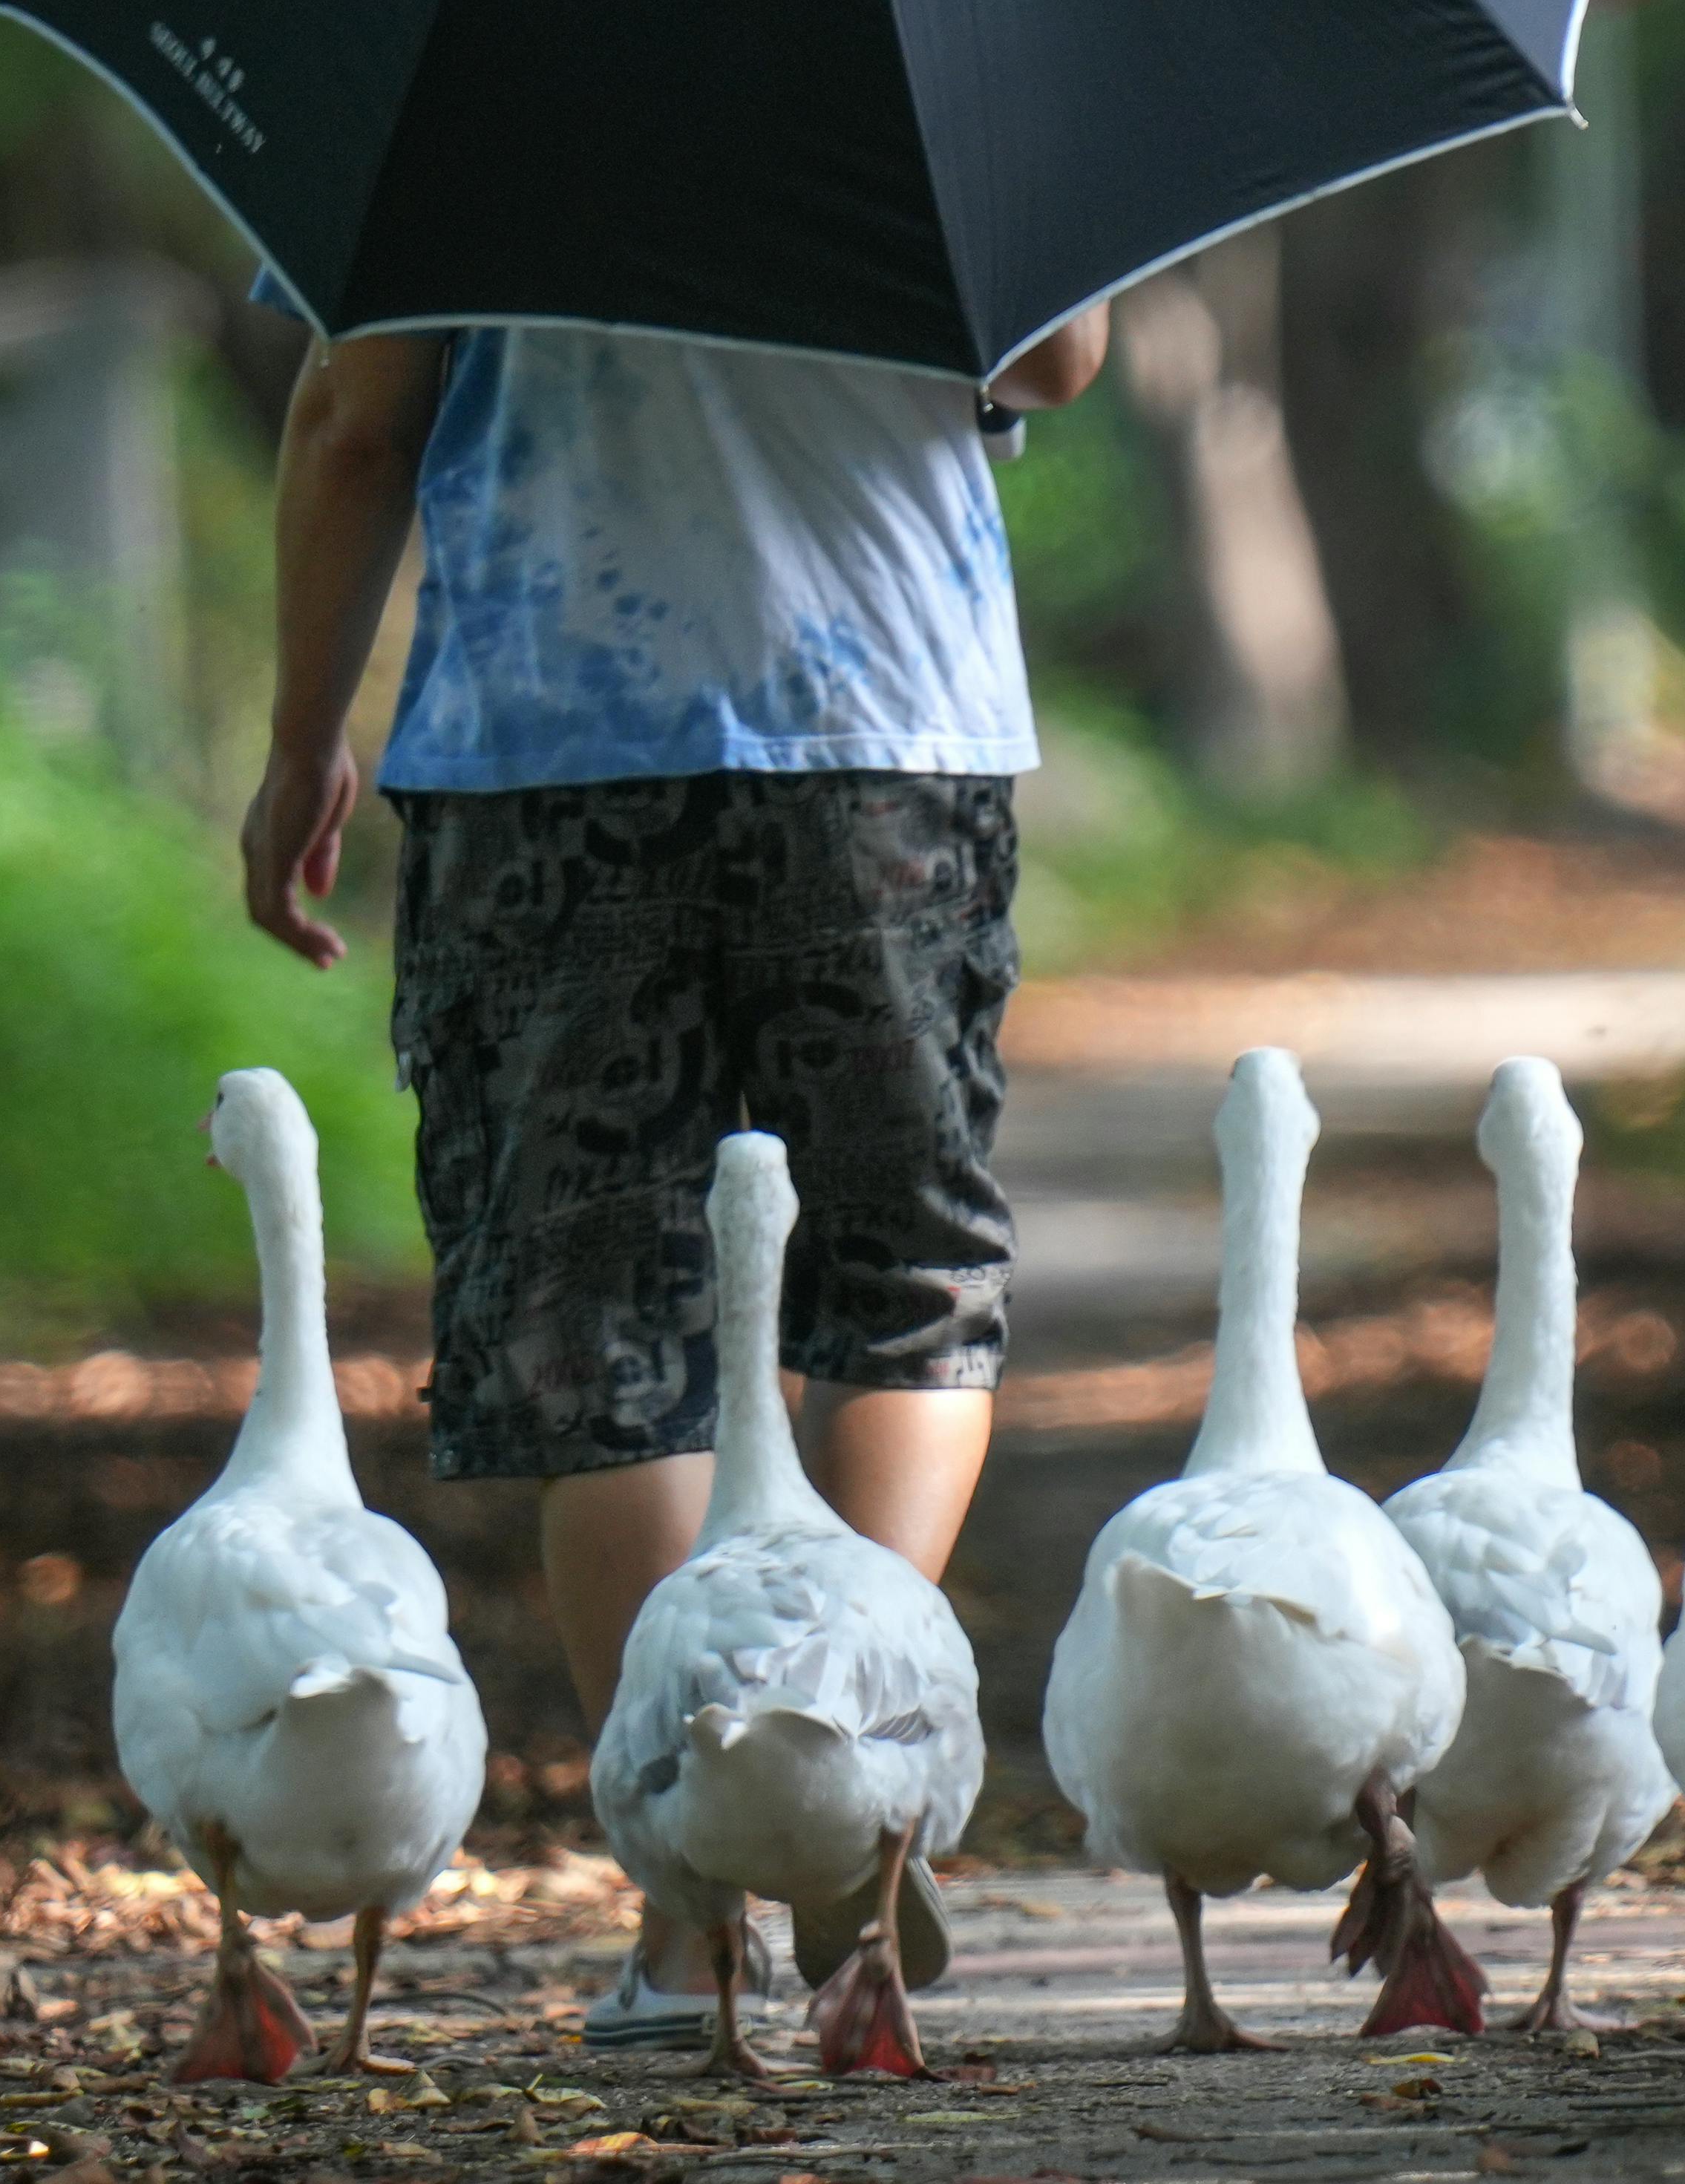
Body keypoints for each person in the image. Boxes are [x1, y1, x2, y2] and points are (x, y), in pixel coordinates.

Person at [241, 297, 1111, 2036]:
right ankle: (844, 1779)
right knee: (902, 1280)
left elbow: (358, 414)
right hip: (886, 736)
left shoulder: (458, 54)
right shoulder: (943, 39)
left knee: (601, 1312)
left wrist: (299, 733)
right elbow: (1053, 355)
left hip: (553, 747)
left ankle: (693, 1901)